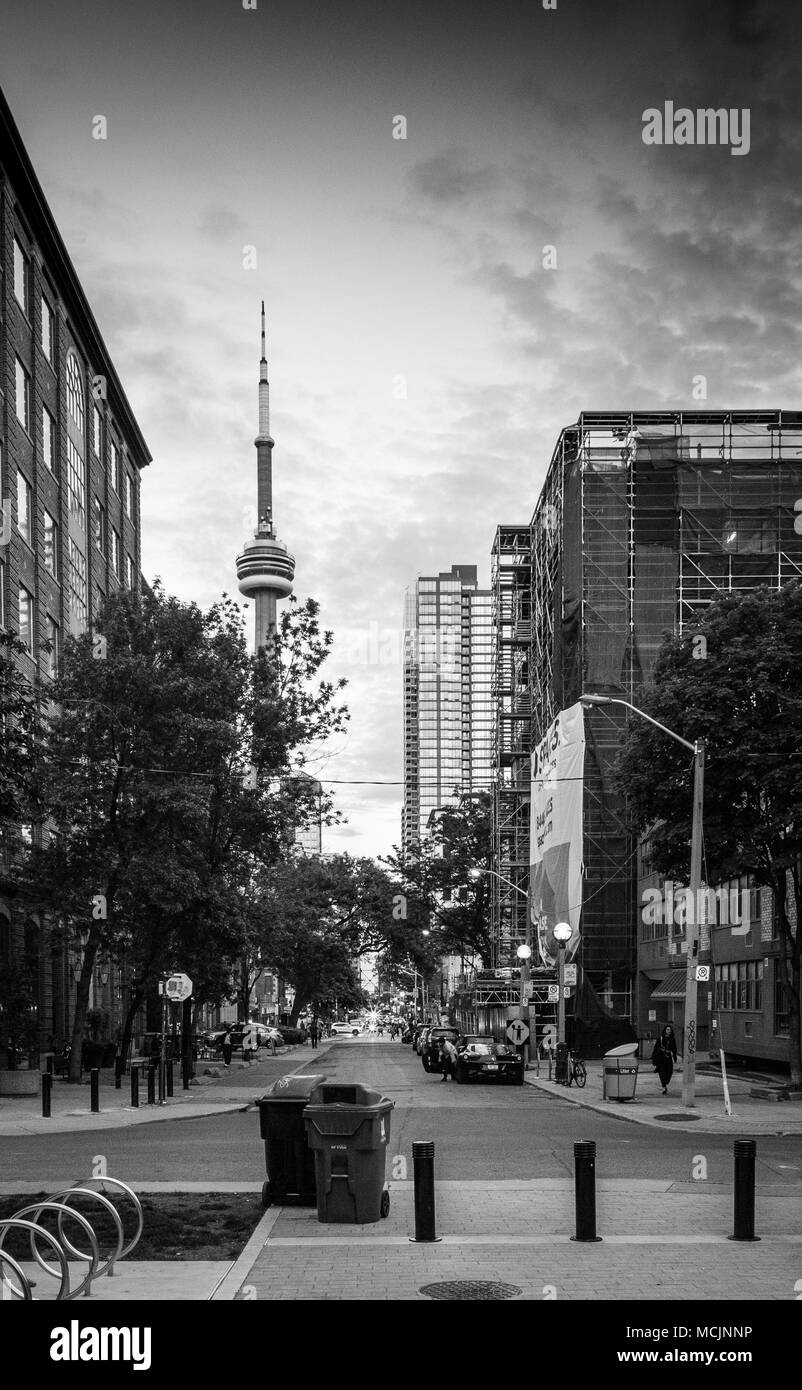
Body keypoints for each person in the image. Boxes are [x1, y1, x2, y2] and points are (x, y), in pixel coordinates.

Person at [652, 1024, 678, 1094]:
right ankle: (664, 1086)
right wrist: (660, 1051)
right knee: (662, 1072)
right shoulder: (661, 1038)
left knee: (670, 1071)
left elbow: (674, 1048)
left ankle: (666, 1082)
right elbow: (656, 1048)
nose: (668, 1031)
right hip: (661, 1058)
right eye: (667, 1030)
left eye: (670, 1030)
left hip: (668, 1057)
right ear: (665, 1030)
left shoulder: (672, 1039)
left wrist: (675, 1056)